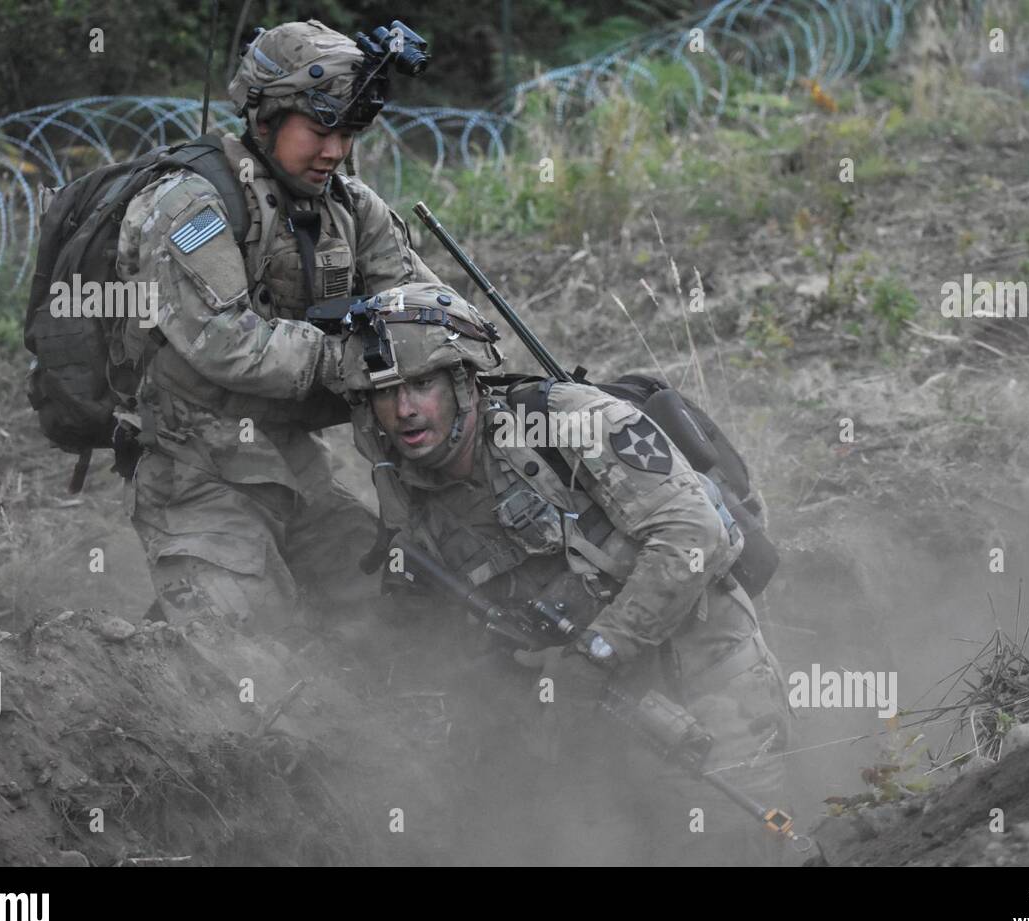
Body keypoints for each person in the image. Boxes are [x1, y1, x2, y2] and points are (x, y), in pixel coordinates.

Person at [328, 281, 794, 865]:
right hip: (599, 737)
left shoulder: (566, 422)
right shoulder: (411, 501)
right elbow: (439, 647)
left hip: (710, 690)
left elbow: (692, 536)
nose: (405, 410)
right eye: (386, 393)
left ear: (463, 382)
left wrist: (594, 653)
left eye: (422, 384)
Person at [113, 20, 438, 638]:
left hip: (293, 465)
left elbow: (423, 308)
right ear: (265, 119)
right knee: (247, 650)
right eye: (319, 131)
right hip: (197, 471)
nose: (335, 151)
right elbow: (223, 341)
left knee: (398, 612)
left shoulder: (351, 208)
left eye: (347, 133)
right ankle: (157, 649)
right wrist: (349, 356)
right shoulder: (187, 204)